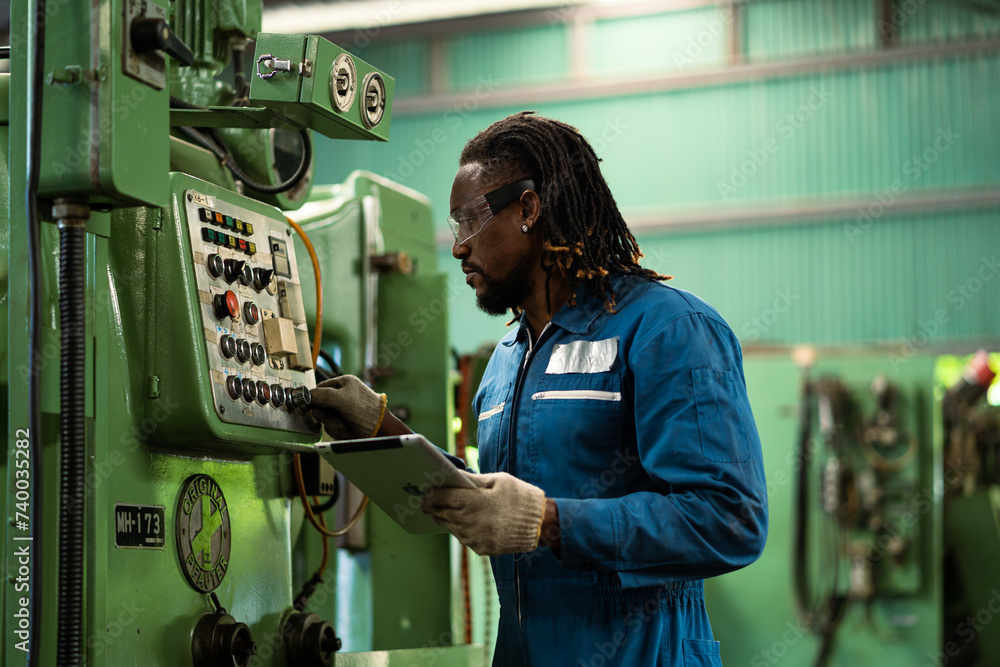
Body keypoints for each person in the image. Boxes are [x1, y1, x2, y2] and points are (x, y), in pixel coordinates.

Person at [310, 111, 768, 666]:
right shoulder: (508, 359)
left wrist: (547, 520)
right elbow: (494, 497)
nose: (458, 248)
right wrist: (378, 429)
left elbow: (729, 519)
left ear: (528, 209)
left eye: (468, 221)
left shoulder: (668, 330)